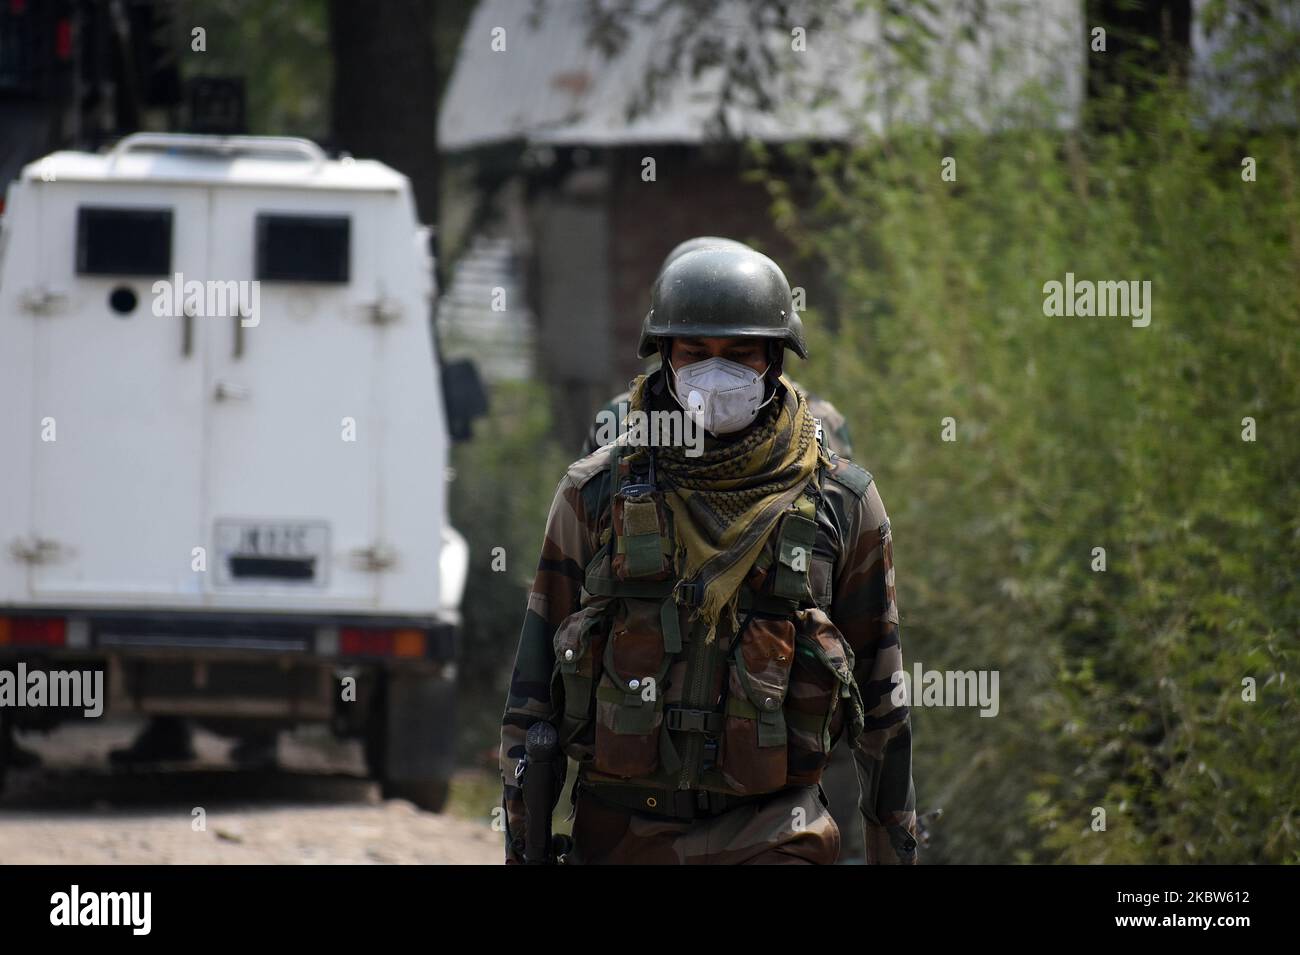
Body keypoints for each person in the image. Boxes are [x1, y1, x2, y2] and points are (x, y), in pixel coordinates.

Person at [499, 244, 916, 864]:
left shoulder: (842, 501)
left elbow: (882, 707)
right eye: (695, 354)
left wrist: (894, 852)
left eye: (740, 354)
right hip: (621, 835)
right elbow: (534, 699)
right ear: (665, 353)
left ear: (775, 358)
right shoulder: (595, 492)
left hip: (776, 833)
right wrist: (524, 841)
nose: (714, 374)